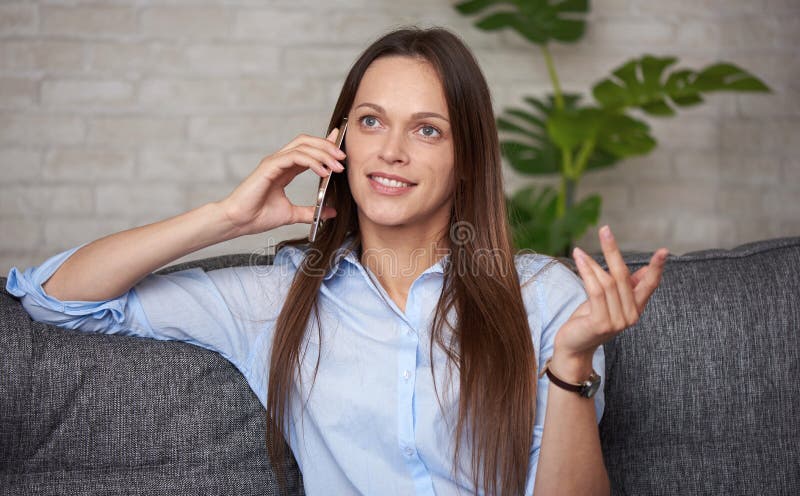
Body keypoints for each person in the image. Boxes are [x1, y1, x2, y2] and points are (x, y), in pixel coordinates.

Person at [6, 27, 668, 496]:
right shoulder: (278, 300)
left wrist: (572, 366)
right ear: (340, 140)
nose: (392, 151)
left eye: (427, 129)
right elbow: (55, 295)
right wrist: (226, 217)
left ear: (466, 156)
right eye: (372, 121)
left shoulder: (544, 296)